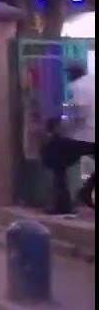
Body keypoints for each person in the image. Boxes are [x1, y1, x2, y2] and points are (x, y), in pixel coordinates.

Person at [40, 62, 95, 215]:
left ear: (73, 73)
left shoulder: (77, 87)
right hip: (87, 135)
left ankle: (62, 204)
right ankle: (86, 191)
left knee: (54, 157)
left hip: (85, 136)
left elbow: (78, 114)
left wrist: (59, 129)